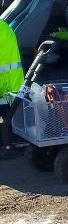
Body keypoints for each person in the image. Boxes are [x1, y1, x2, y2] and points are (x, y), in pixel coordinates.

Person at [0, 18, 25, 158]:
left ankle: (6, 144)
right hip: (6, 88)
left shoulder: (3, 29)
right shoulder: (3, 28)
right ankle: (6, 144)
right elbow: (13, 67)